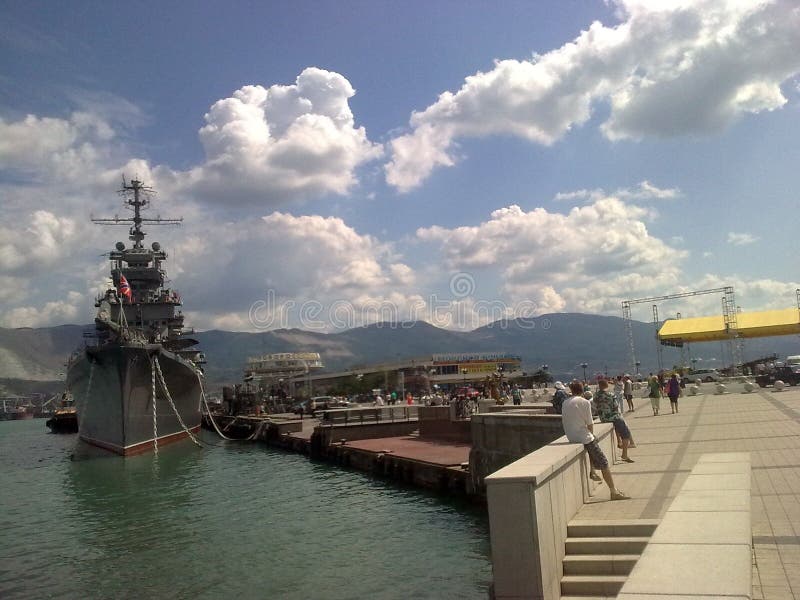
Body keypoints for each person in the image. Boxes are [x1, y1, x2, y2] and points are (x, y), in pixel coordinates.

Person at [561, 380, 630, 501]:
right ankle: (613, 491)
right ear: (582, 390)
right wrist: (591, 434)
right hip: (583, 436)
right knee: (604, 461)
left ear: (571, 390)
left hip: (571, 436)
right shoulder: (584, 402)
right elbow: (590, 424)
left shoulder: (565, 402)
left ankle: (593, 470)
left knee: (592, 444)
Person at [594, 379, 635, 463]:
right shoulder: (610, 395)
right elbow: (616, 407)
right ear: (607, 385)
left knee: (618, 428)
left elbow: (595, 405)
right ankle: (624, 454)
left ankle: (619, 442)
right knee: (626, 433)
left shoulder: (596, 395)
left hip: (603, 418)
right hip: (613, 417)